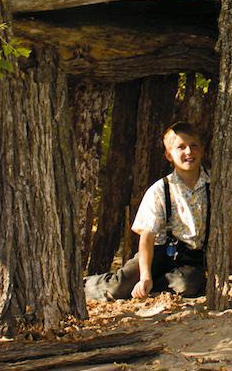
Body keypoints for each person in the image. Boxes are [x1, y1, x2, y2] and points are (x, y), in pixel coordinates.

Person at [84, 121, 210, 301]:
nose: (189, 152)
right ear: (169, 155)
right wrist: (145, 276)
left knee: (188, 284)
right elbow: (147, 237)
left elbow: (228, 230)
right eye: (181, 147)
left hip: (190, 258)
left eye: (193, 146)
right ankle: (85, 284)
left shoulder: (213, 187)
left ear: (202, 149)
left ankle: (155, 286)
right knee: (119, 286)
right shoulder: (160, 189)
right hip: (157, 253)